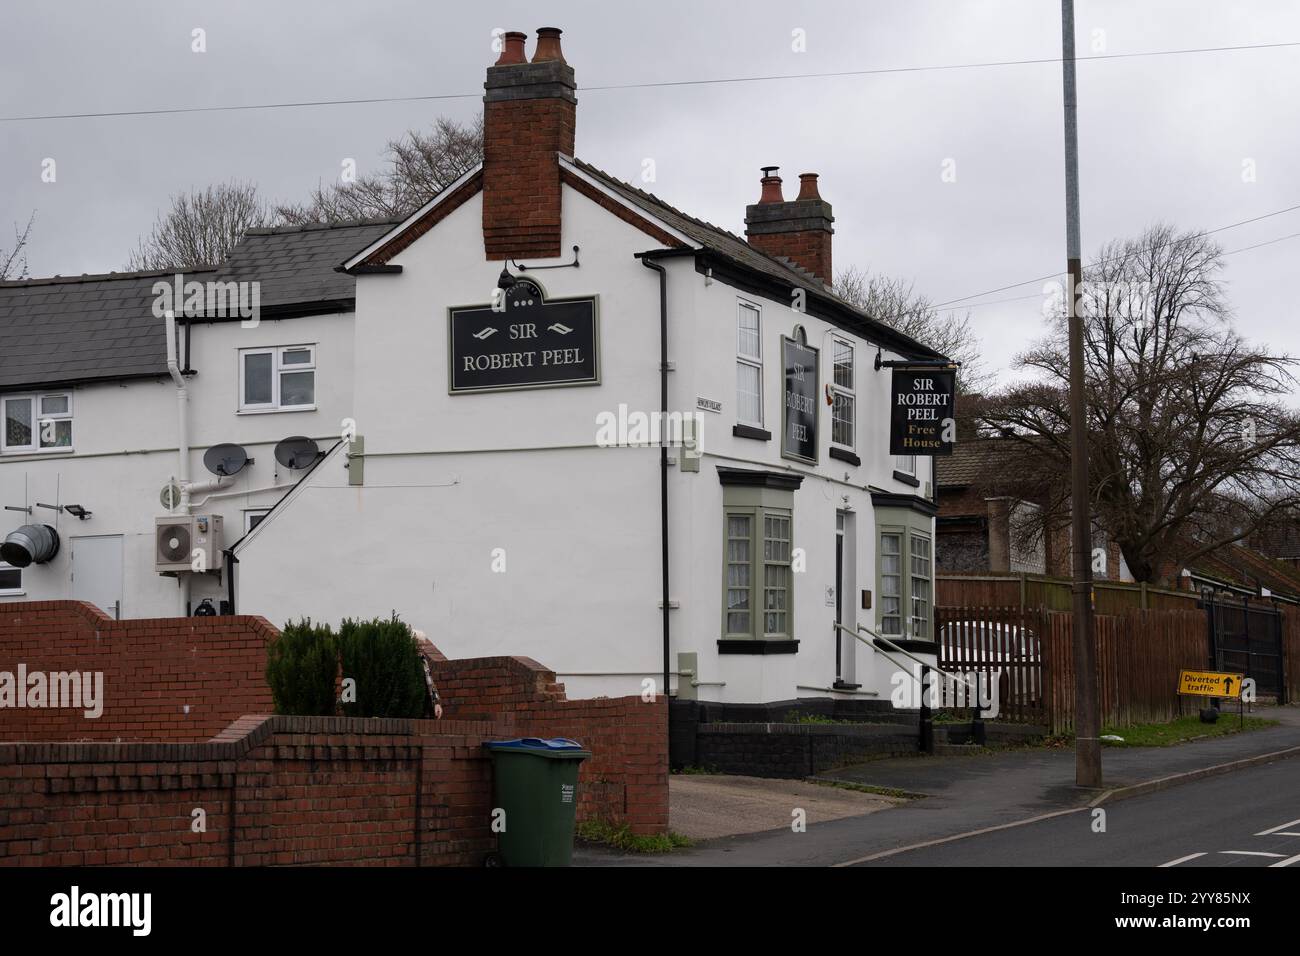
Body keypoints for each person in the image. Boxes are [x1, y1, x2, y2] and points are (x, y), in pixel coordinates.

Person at [413, 629, 443, 719]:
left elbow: (431, 684)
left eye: (423, 645)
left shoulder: (424, 661)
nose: (422, 647)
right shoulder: (408, 661)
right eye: (418, 644)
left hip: (425, 708)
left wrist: (437, 704)